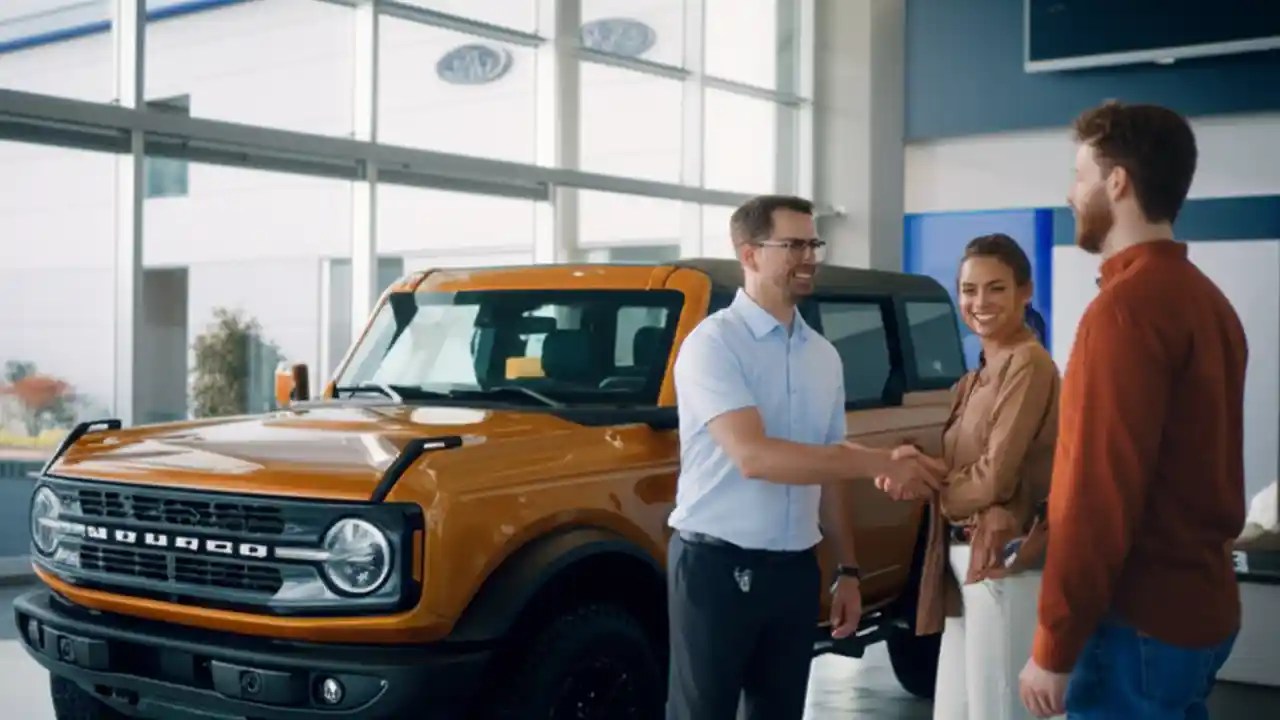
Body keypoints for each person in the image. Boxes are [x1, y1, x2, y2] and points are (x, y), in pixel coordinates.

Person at [1018, 101, 1248, 719]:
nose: (1070, 194)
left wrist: (1053, 643)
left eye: (1080, 176)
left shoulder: (1123, 311)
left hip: (1136, 626)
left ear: (1116, 182)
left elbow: (1096, 495)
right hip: (1201, 611)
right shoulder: (1209, 302)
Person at [665, 194, 934, 720]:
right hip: (716, 570)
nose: (809, 257)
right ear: (749, 254)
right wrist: (879, 463)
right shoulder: (713, 345)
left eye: (813, 244)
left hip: (793, 572)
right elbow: (755, 458)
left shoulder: (822, 355)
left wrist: (848, 570)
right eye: (793, 245)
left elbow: (827, 464)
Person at [876, 233, 1061, 720]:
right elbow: (966, 469)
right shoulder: (975, 376)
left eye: (996, 288)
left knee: (995, 709)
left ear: (1025, 292)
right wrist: (916, 465)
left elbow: (996, 478)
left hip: (1003, 561)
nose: (980, 302)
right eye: (969, 290)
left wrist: (930, 486)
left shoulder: (1028, 363)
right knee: (957, 709)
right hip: (963, 559)